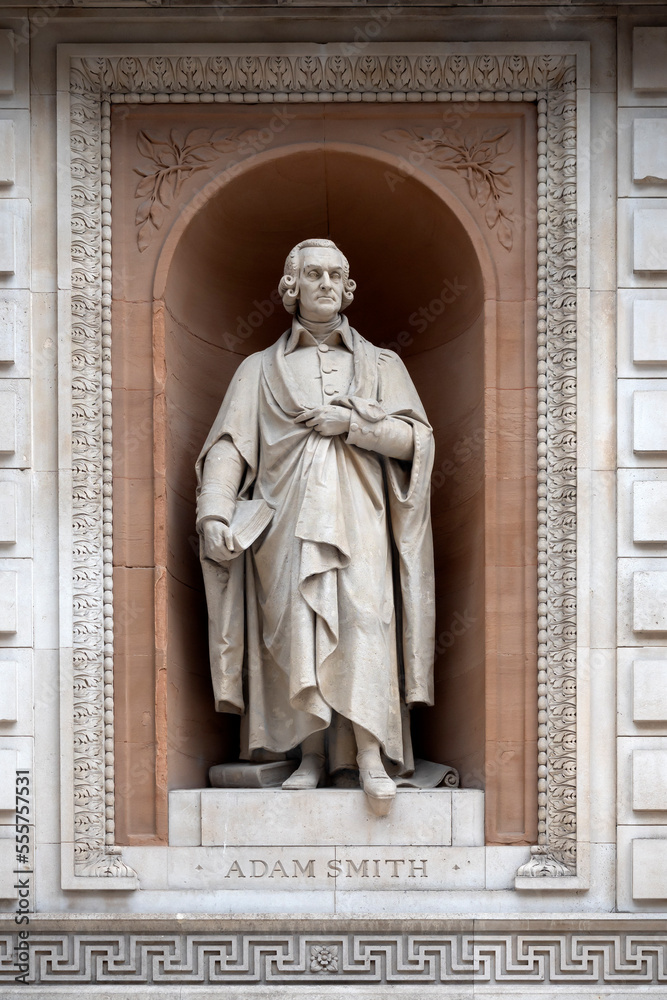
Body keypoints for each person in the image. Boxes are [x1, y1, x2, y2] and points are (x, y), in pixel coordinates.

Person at [196, 238, 435, 815]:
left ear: (348, 288)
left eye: (335, 274)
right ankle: (309, 757)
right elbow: (230, 446)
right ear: (292, 287)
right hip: (285, 526)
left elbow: (416, 440)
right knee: (295, 632)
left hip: (361, 523)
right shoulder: (258, 370)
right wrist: (214, 510)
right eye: (313, 274)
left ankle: (372, 757)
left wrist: (351, 423)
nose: (326, 283)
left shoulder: (383, 365)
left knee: (364, 625)